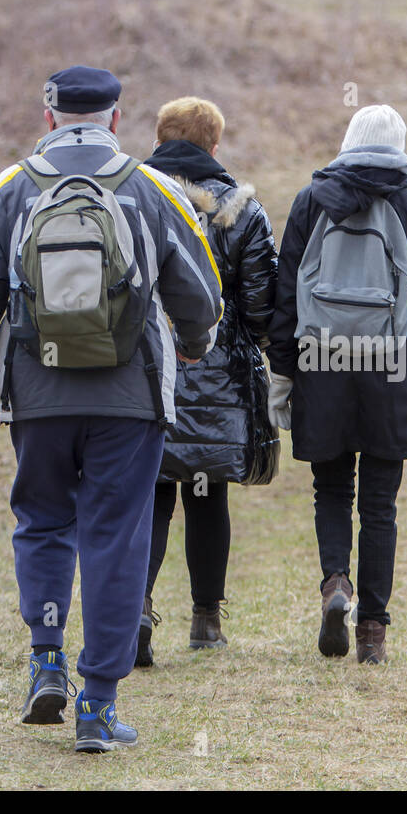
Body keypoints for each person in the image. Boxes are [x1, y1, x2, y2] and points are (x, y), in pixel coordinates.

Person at [0, 66, 223, 752]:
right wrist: (191, 346)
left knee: (41, 521)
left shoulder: (9, 191)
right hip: (128, 401)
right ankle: (97, 705)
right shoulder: (152, 188)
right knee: (115, 538)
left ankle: (45, 659)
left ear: (48, 119)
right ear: (116, 120)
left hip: (38, 396)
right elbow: (201, 293)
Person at [266, 105, 407, 664]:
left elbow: (287, 291)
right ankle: (373, 633)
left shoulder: (311, 201)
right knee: (380, 504)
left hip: (320, 361)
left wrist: (280, 371)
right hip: (391, 366)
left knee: (331, 489)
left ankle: (336, 585)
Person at [136, 97, 278, 667]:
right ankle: (205, 620)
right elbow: (263, 305)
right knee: (205, 493)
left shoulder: (131, 197)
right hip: (217, 376)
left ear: (161, 137)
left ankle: (136, 607)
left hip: (144, 374)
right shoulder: (241, 210)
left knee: (147, 495)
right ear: (214, 147)